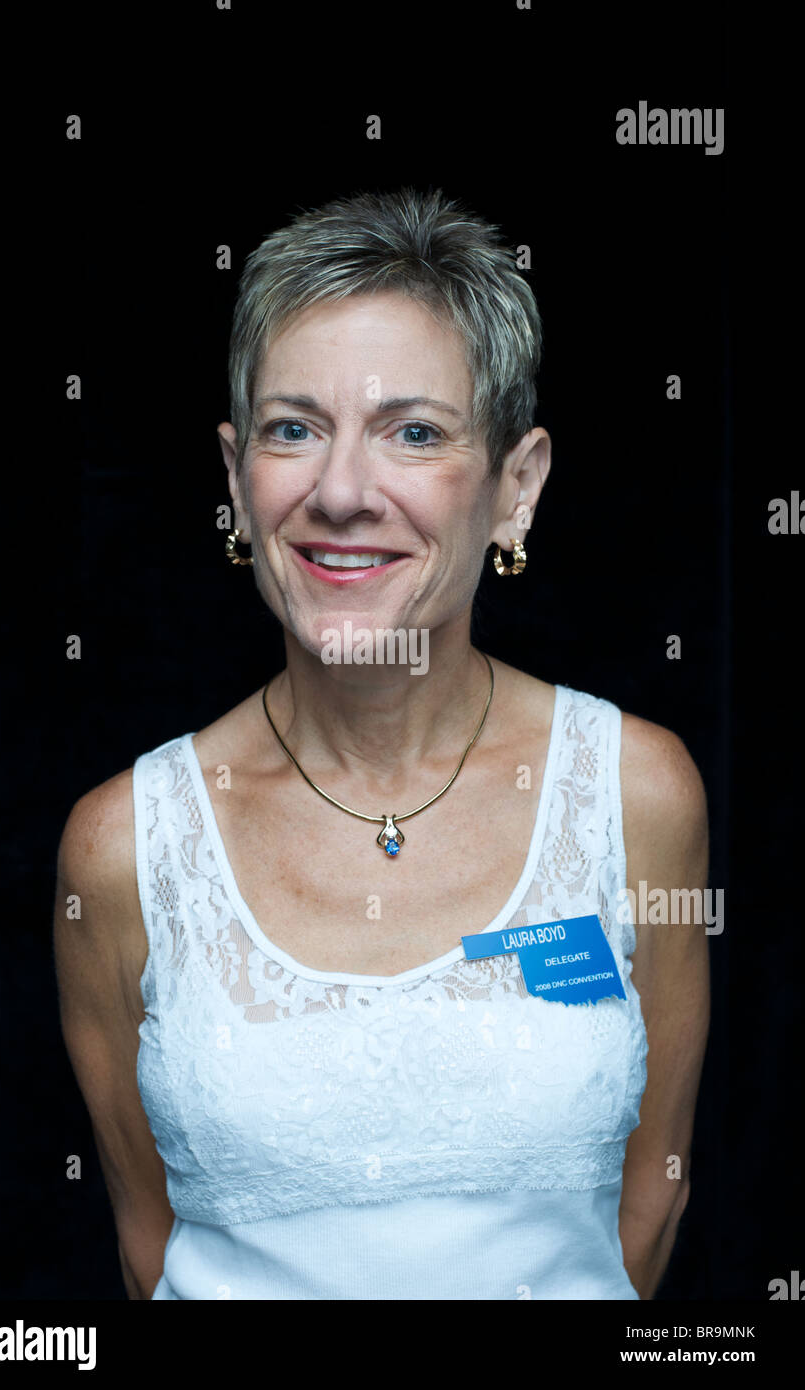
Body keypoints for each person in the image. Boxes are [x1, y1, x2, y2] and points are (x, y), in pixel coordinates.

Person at [53, 188, 710, 1300]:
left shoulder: (635, 791)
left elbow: (652, 1190)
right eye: (292, 428)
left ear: (515, 485)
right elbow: (145, 1233)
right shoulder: (122, 847)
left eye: (412, 431)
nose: (342, 491)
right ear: (234, 480)